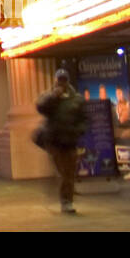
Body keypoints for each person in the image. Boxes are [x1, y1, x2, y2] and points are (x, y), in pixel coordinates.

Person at [36, 68, 89, 213]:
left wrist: (78, 130)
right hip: (54, 141)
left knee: (70, 172)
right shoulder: (49, 96)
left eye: (64, 80)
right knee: (63, 172)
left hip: (70, 140)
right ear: (55, 81)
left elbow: (84, 118)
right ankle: (65, 200)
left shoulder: (76, 99)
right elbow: (41, 107)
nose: (62, 83)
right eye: (60, 80)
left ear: (68, 81)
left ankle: (68, 200)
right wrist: (54, 97)